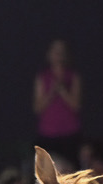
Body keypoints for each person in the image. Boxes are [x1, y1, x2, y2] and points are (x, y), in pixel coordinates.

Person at [33, 39, 82, 167]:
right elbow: (38, 108)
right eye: (55, 51)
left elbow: (76, 106)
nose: (58, 55)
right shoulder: (42, 77)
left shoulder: (73, 76)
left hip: (70, 132)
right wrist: (51, 92)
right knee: (49, 173)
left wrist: (63, 91)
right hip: (48, 133)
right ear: (49, 54)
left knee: (70, 172)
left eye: (61, 52)